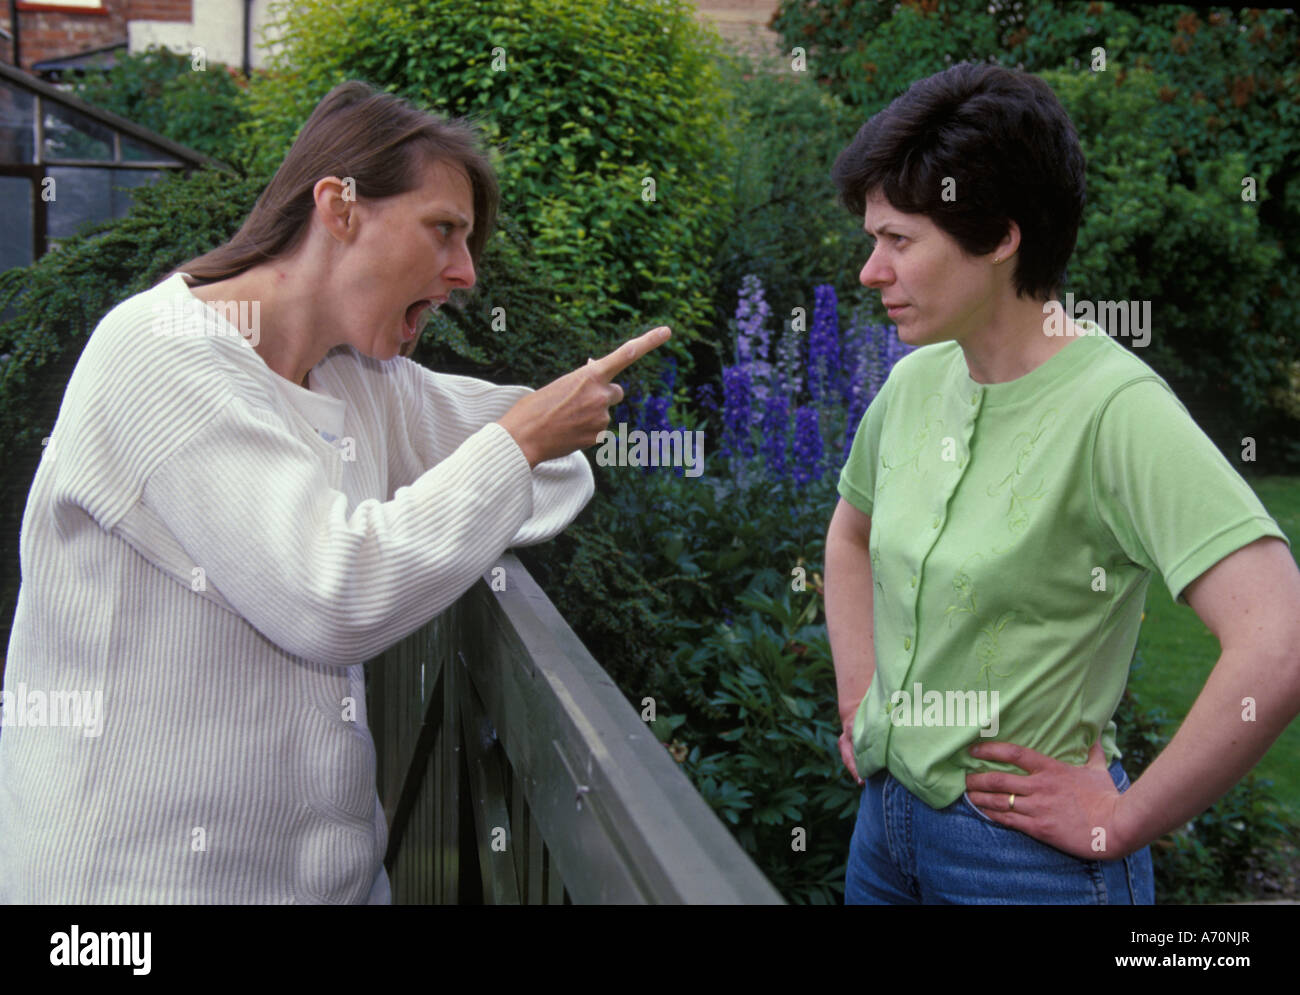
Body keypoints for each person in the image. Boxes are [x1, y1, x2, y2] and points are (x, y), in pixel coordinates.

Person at [0, 80, 668, 903]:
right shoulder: (158, 355)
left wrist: (542, 428)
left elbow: (547, 466)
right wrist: (520, 440)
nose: (464, 272)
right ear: (339, 207)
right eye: (444, 231)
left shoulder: (357, 380)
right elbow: (332, 594)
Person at [824, 62, 1300, 904]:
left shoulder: (1117, 411)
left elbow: (1281, 637)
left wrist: (1120, 821)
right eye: (874, 239)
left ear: (1002, 237)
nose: (871, 270)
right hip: (882, 835)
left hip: (1022, 865)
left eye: (899, 240)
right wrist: (862, 698)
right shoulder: (914, 385)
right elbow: (851, 532)